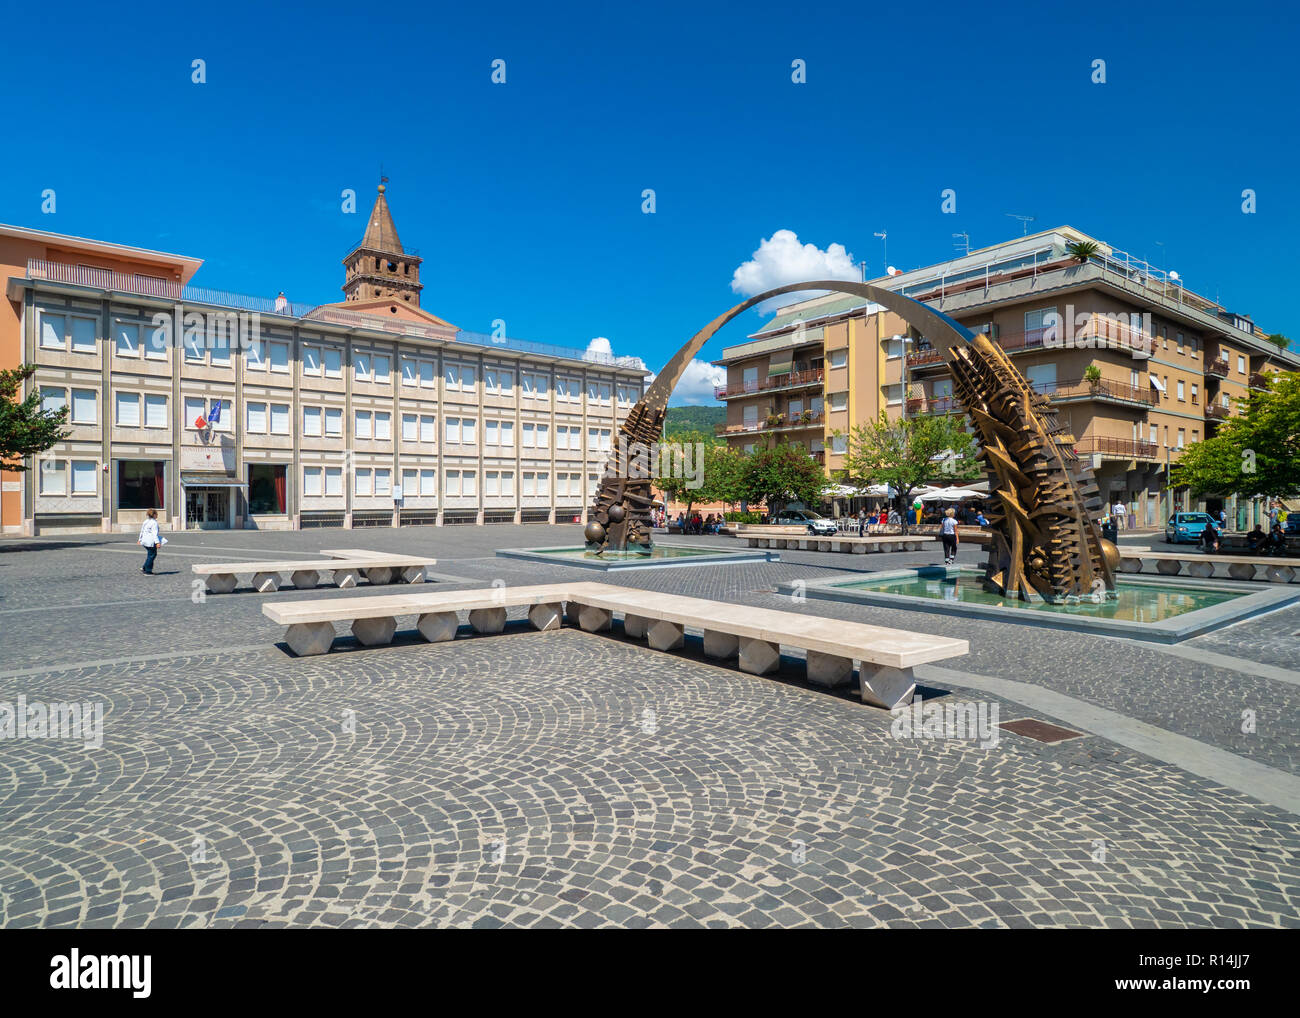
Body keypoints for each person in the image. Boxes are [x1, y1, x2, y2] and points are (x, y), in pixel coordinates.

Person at [138, 508, 162, 574]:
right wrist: (157, 542)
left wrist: (139, 539)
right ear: (154, 515)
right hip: (150, 541)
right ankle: (148, 570)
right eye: (156, 514)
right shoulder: (154, 523)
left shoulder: (146, 521)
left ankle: (144, 567)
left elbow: (142, 531)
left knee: (150, 554)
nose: (157, 515)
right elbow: (155, 534)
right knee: (152, 555)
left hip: (144, 540)